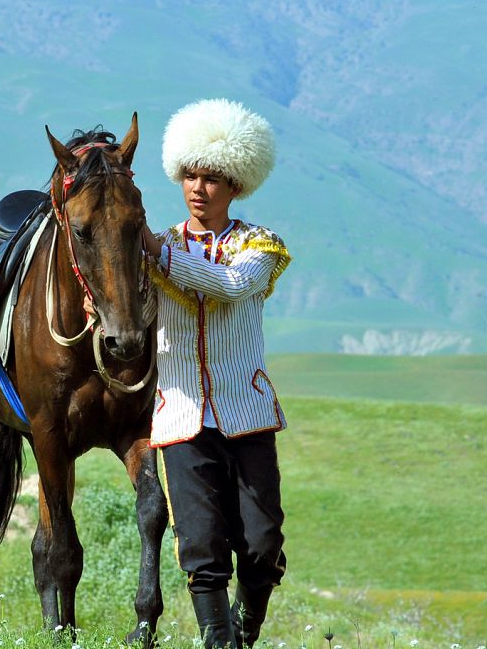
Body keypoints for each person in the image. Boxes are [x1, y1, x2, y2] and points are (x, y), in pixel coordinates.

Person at [139, 99, 291, 649]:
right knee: (200, 545)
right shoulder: (151, 248)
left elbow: (228, 287)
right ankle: (218, 641)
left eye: (214, 178)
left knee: (261, 542)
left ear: (238, 185)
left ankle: (248, 627)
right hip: (180, 414)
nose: (199, 188)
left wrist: (158, 255)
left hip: (247, 412)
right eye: (191, 176)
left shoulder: (259, 246)